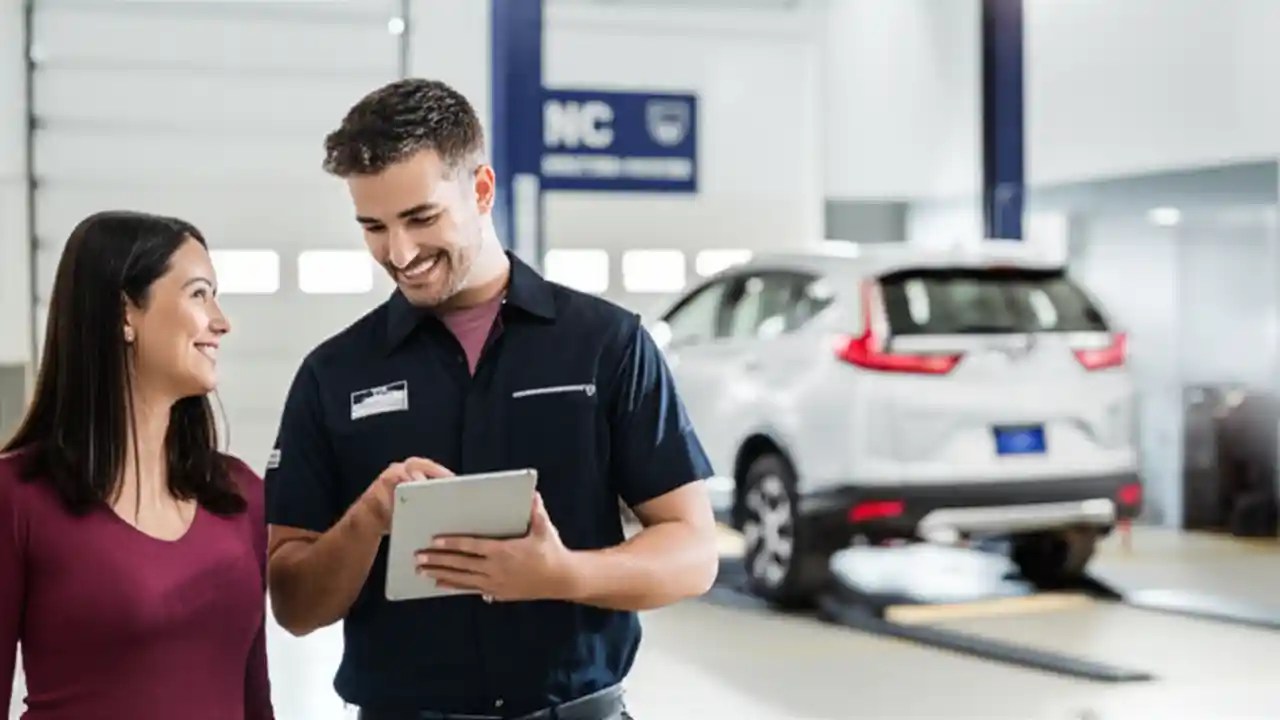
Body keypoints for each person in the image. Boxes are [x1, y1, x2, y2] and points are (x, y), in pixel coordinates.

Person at [264, 78, 719, 719]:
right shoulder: (333, 375)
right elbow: (295, 606)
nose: (400, 252)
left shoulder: (605, 345)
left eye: (421, 218)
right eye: (374, 226)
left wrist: (561, 575)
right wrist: (367, 519)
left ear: (481, 190)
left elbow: (694, 551)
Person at [0, 211, 275, 720]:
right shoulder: (17, 497)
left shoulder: (239, 495)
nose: (221, 320)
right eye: (198, 294)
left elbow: (255, 700)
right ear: (126, 312)